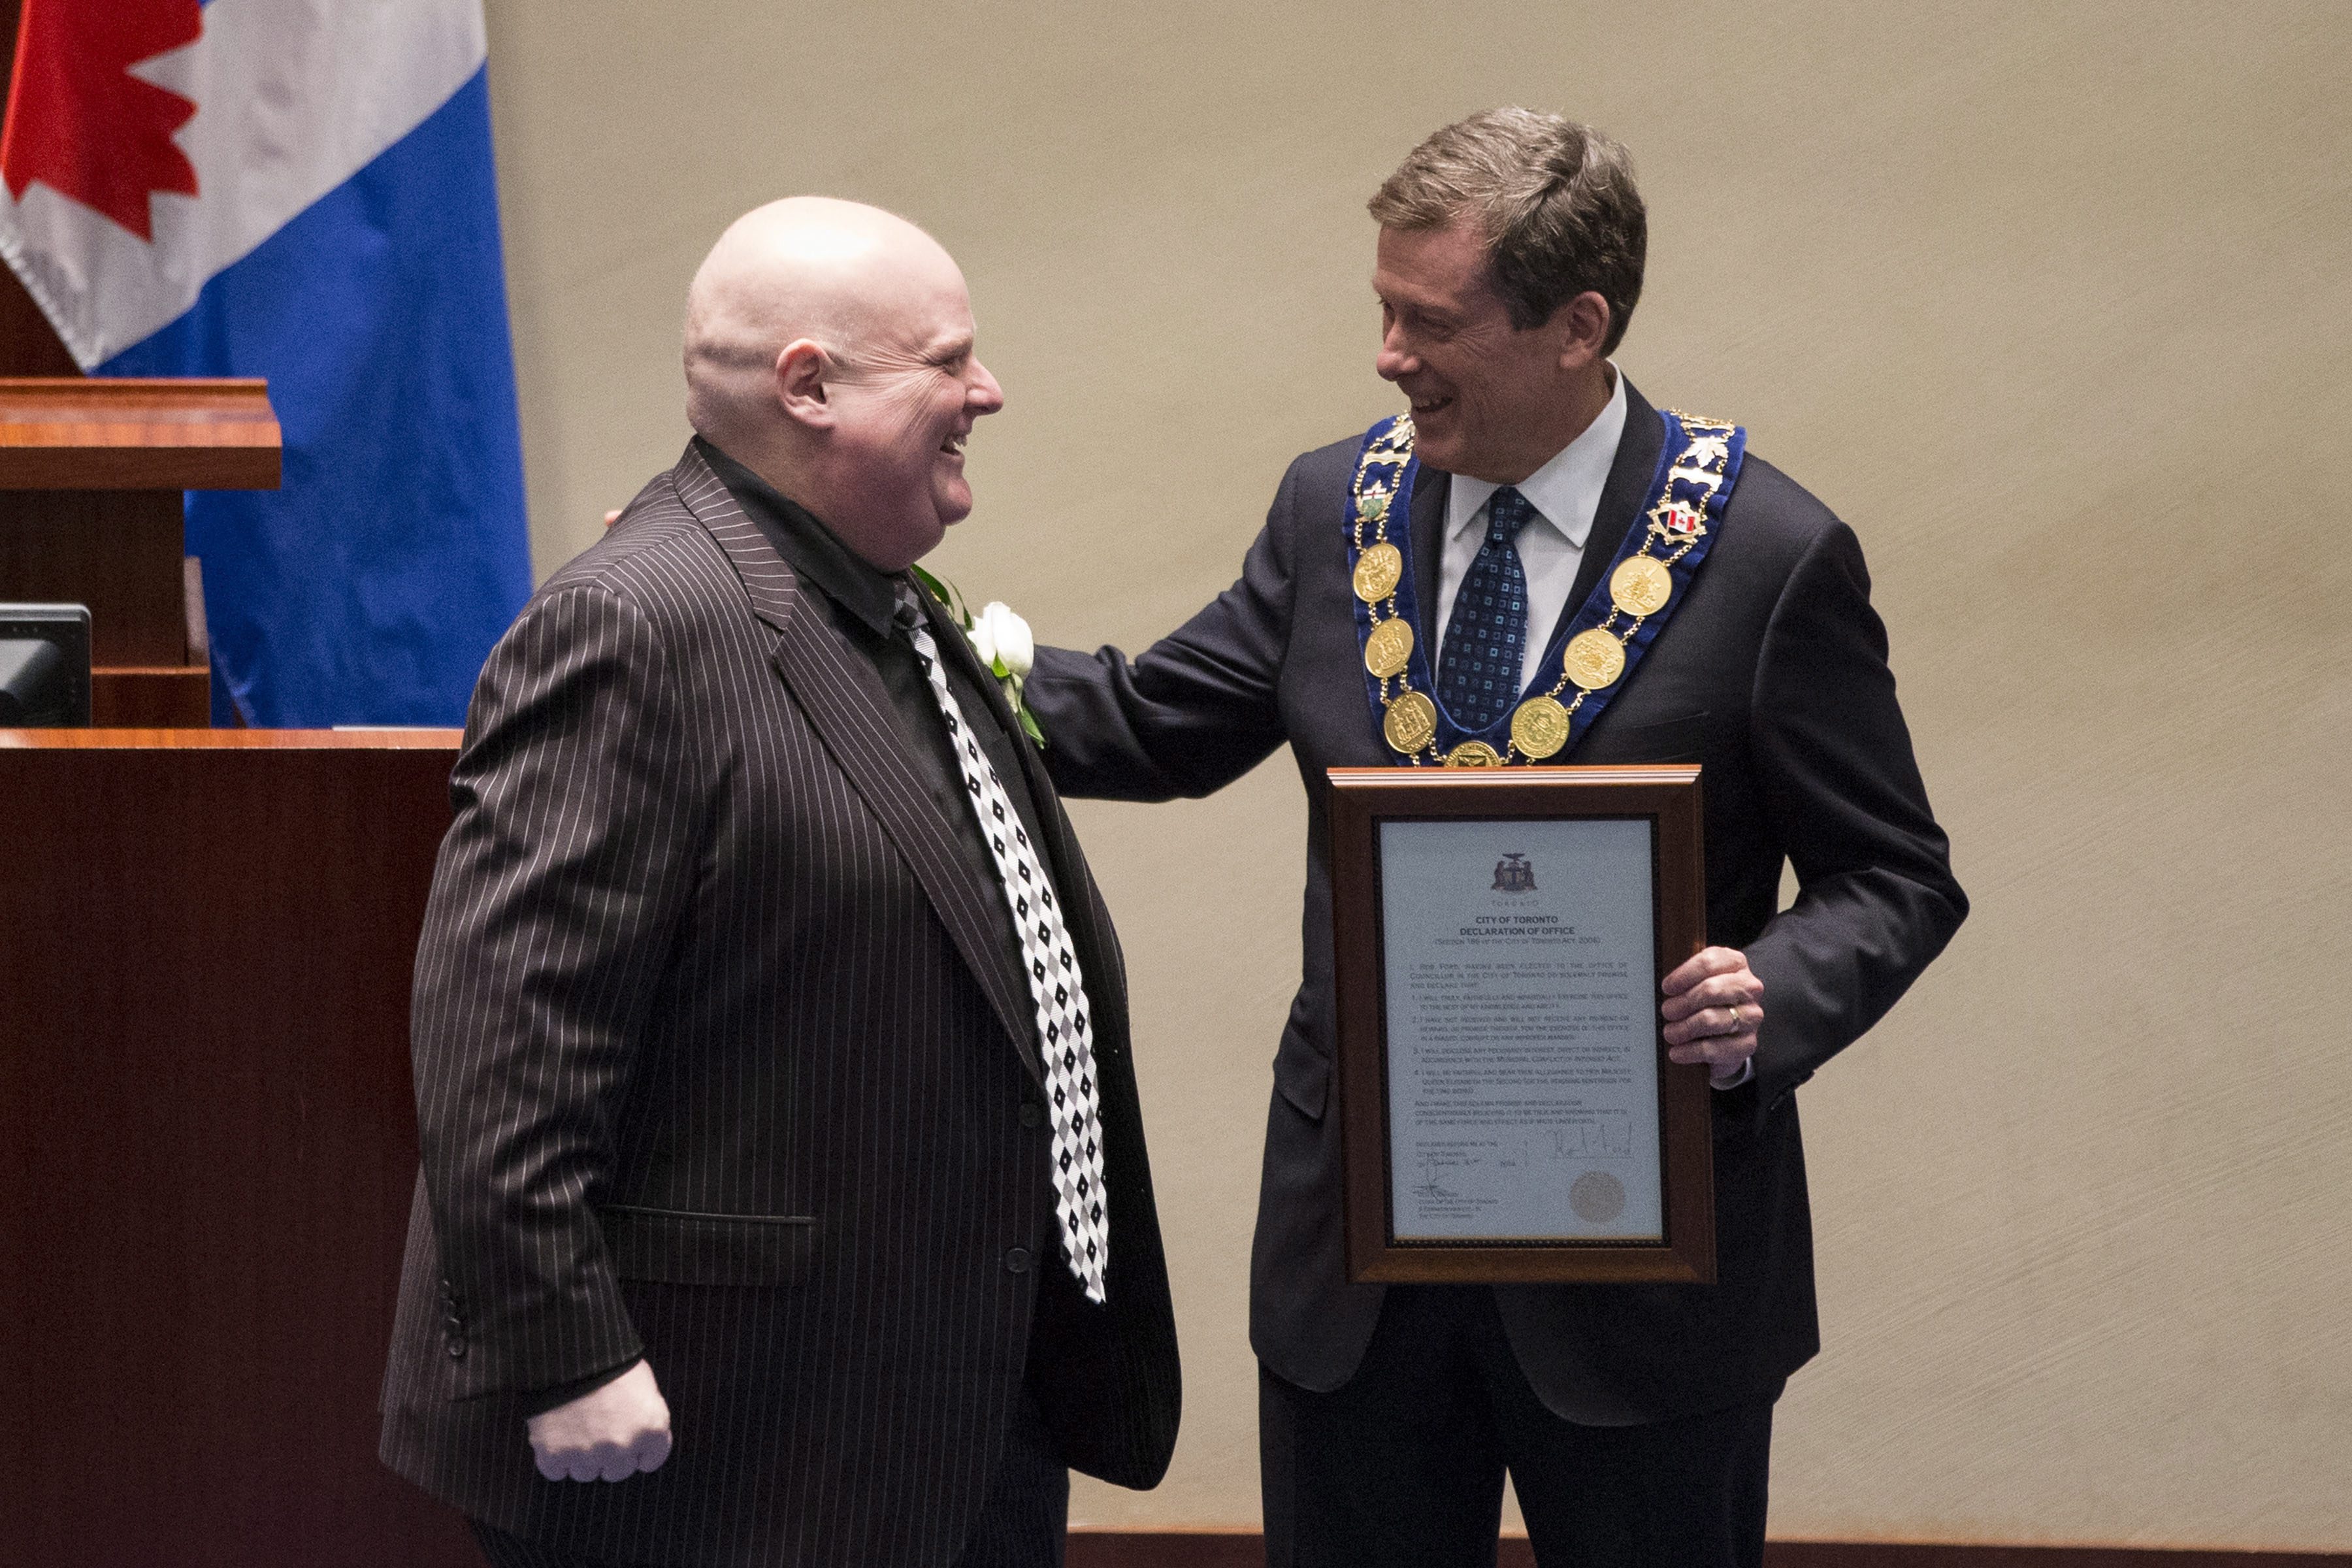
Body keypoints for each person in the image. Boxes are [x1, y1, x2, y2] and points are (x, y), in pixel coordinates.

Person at [1025, 110, 1967, 1567]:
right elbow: (1154, 721)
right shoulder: (1333, 507)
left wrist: (1767, 993)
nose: (1389, 355)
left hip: (1648, 1283)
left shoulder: (1771, 558)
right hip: (1361, 1275)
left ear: (1578, 326)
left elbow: (1896, 876)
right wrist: (897, 639)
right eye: (1384, 311)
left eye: (1429, 319)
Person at [379, 197, 1180, 1568]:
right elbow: (504, 1042)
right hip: (716, 1440)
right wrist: (564, 1352)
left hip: (934, 1415)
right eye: (947, 361)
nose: (986, 391)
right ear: (810, 386)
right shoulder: (636, 627)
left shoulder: (880, 600)